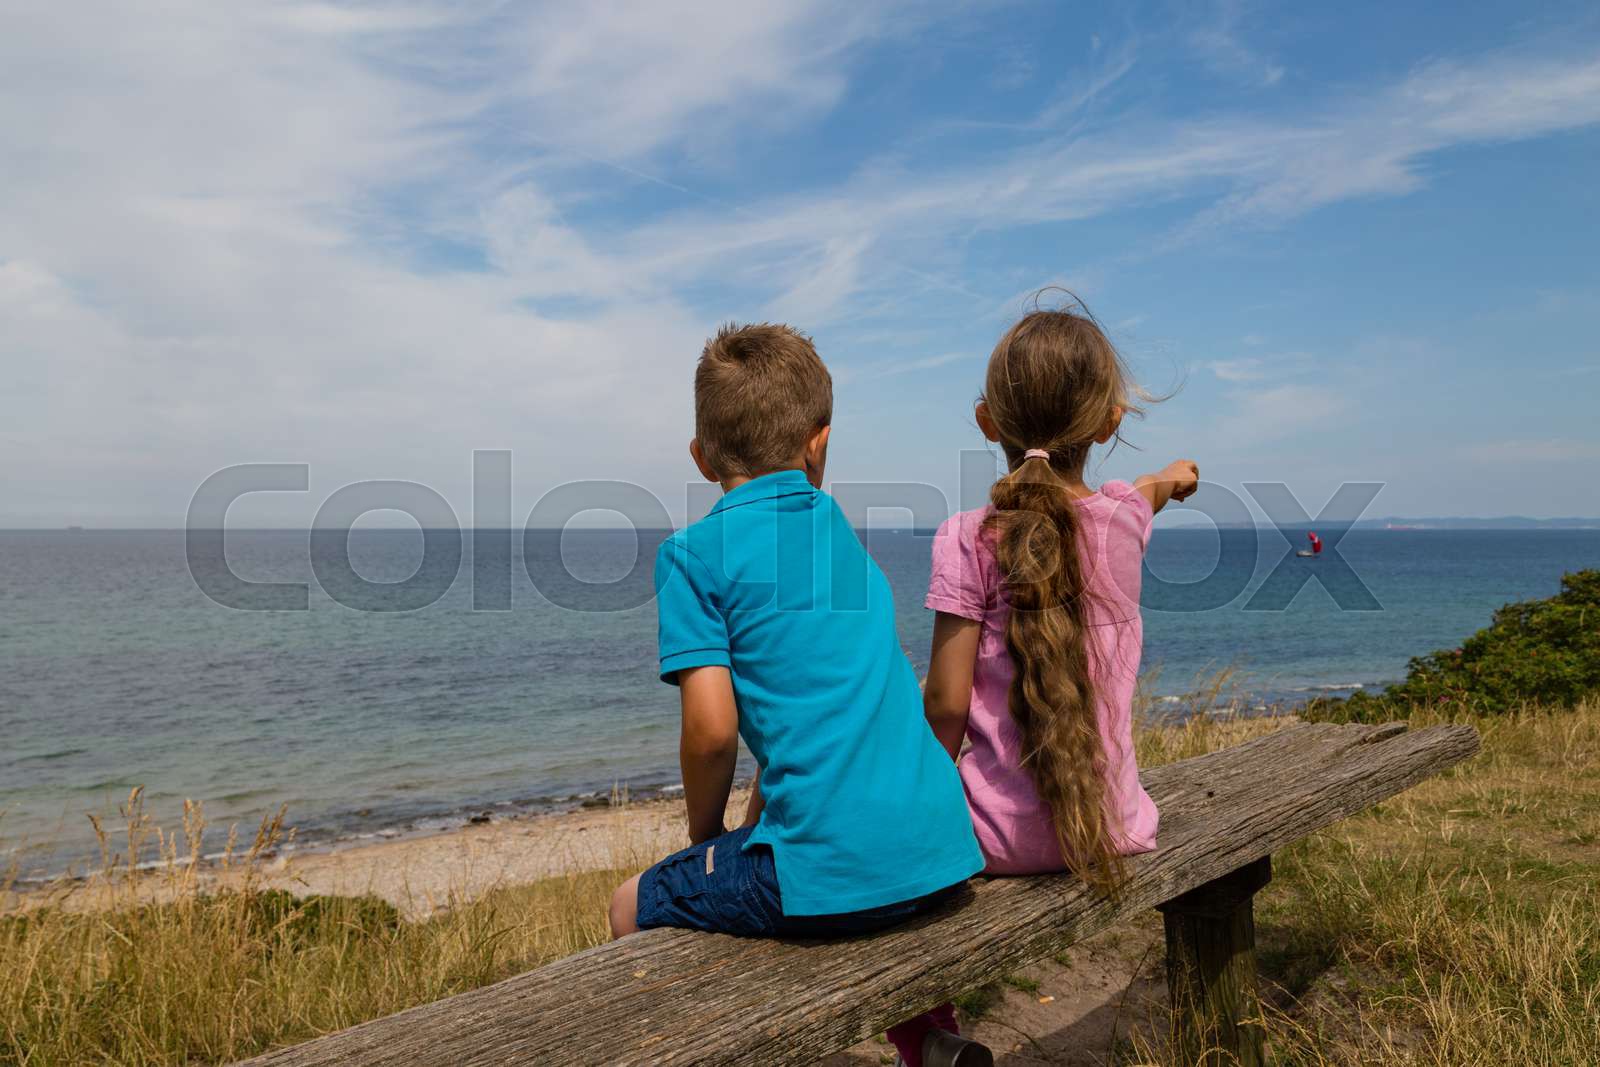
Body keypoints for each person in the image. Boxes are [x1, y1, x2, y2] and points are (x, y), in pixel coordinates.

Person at [609, 323, 984, 965]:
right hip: (943, 848)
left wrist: (704, 836)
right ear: (820, 444)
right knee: (843, 886)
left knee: (626, 904)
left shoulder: (692, 557)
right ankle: (932, 1042)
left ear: (701, 457)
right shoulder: (838, 530)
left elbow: (711, 732)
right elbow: (817, 712)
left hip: (834, 872)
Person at [887, 302, 1198, 1066]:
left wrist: (917, 799)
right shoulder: (1124, 516)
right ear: (1108, 422)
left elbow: (946, 707)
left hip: (990, 839)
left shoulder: (966, 536)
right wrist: (1177, 476)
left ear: (988, 421)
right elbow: (1148, 489)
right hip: (1112, 821)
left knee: (875, 850)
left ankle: (928, 1038)